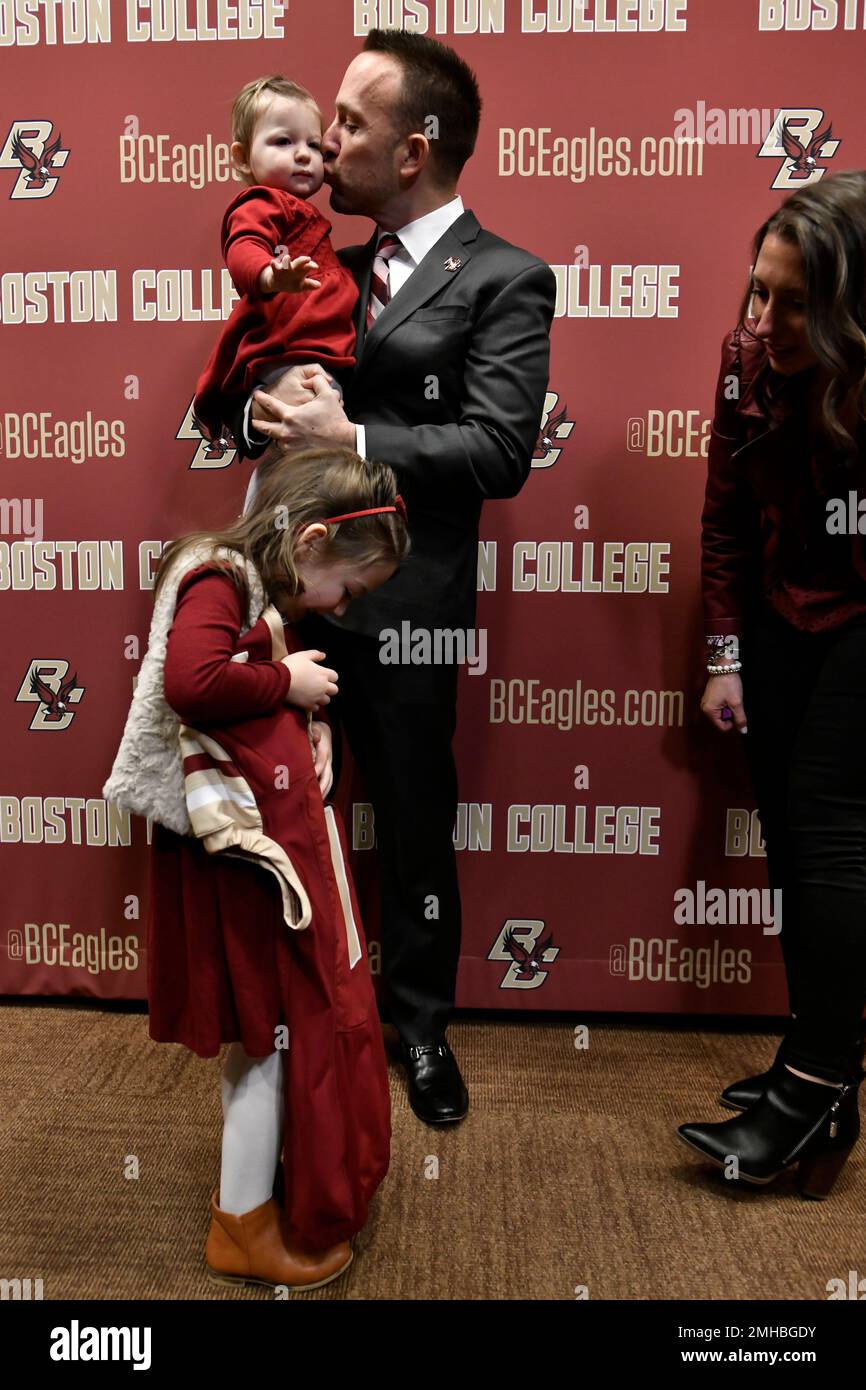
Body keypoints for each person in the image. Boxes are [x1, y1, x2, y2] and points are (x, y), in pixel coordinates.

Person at [235, 30, 557, 1125]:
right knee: (283, 810)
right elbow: (241, 384)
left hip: (411, 612)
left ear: (413, 149)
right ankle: (294, 1019)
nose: (326, 140)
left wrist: (357, 436)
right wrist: (255, 413)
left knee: (415, 823)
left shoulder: (507, 277)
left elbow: (498, 452)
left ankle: (419, 1031)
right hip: (292, 599)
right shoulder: (312, 259)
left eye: (351, 122)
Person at [103, 447, 409, 1288]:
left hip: (247, 859)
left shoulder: (253, 589)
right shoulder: (218, 578)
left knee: (266, 1031)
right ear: (309, 541)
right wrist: (285, 684)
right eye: (349, 588)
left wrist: (306, 719)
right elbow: (194, 682)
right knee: (264, 1035)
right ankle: (240, 1226)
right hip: (227, 865)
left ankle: (255, 1194)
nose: (343, 607)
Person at [678, 171, 866, 1199]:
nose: (763, 321)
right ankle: (814, 1061)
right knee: (791, 837)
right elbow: (722, 519)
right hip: (780, 614)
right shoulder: (743, 359)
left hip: (861, 617)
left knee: (828, 833)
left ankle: (817, 1083)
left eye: (796, 304)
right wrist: (724, 652)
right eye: (758, 290)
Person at [192, 74, 358, 449]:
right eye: (283, 141)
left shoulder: (297, 211)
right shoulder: (262, 202)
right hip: (290, 350)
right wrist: (269, 275)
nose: (303, 154)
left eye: (313, 144)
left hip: (314, 352)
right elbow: (243, 247)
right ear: (242, 157)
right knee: (314, 447)